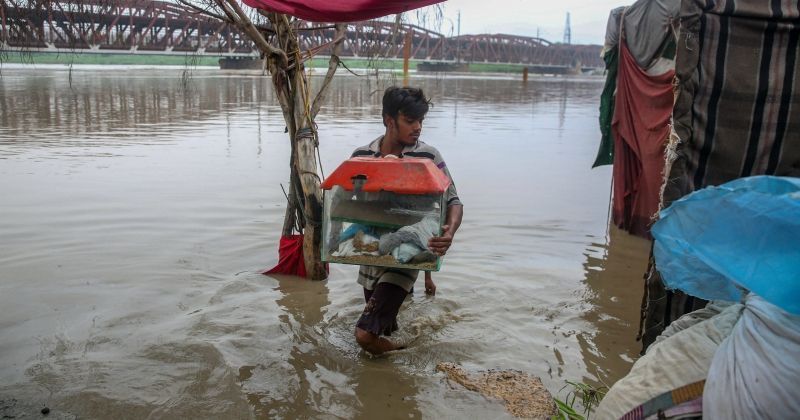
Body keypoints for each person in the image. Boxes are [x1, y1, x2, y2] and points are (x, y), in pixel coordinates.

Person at [351, 86, 463, 355]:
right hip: (373, 254)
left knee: (365, 335)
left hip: (410, 255)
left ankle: (404, 349)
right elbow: (348, 205)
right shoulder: (362, 156)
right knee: (384, 326)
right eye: (410, 121)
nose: (418, 127)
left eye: (421, 121)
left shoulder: (428, 157)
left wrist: (449, 232)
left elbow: (453, 201)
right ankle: (395, 369)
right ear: (390, 120)